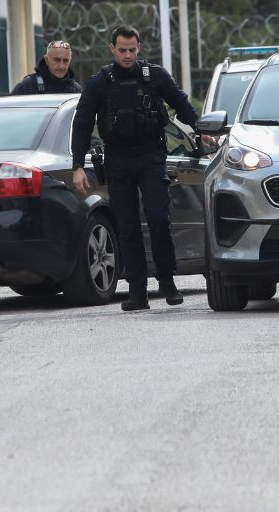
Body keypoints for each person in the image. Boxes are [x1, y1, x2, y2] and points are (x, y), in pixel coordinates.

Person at [71, 26, 199, 311]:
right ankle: (138, 292)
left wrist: (202, 130)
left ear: (138, 48)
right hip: (118, 161)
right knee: (127, 226)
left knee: (157, 218)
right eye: (122, 50)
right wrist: (77, 165)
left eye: (132, 50)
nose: (127, 55)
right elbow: (81, 124)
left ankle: (167, 282)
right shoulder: (100, 82)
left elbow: (181, 103)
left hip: (151, 156)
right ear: (112, 49)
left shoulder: (154, 76)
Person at [10, 40, 81, 95]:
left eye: (65, 61)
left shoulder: (76, 90)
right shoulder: (29, 85)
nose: (61, 66)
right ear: (46, 60)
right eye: (57, 60)